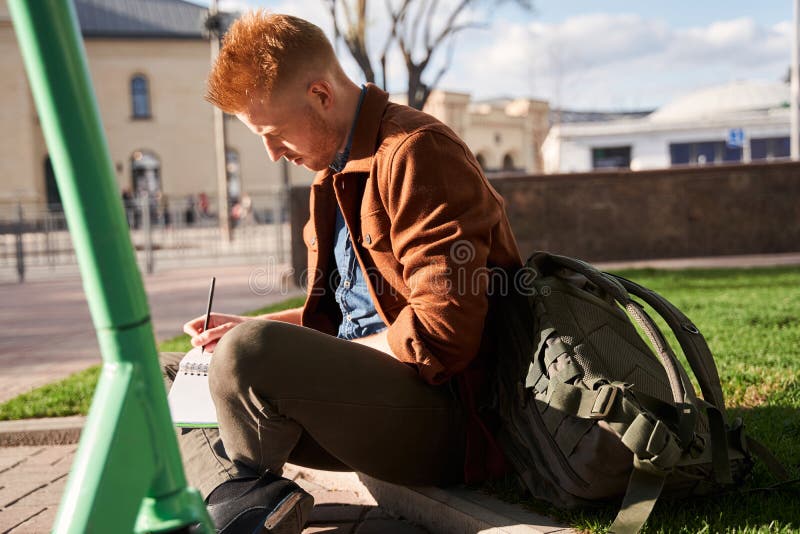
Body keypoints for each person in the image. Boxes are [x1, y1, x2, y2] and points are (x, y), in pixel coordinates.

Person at [167, 10, 522, 534]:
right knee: (162, 376)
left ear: (320, 94)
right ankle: (245, 500)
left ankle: (237, 509)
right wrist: (247, 326)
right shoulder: (330, 172)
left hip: (449, 419)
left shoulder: (417, 152)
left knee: (247, 355)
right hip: (368, 405)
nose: (271, 153)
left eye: (273, 134)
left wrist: (260, 345)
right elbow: (343, 321)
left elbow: (443, 336)